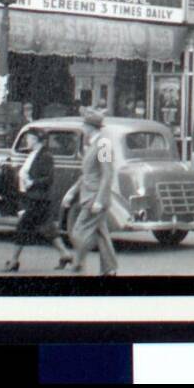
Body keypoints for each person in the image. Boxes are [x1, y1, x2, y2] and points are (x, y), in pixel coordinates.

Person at [2, 128, 73, 272]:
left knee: (22, 227)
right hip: (33, 197)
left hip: (37, 198)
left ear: (37, 140)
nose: (27, 140)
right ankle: (65, 254)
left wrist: (32, 183)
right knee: (48, 228)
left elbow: (49, 178)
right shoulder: (33, 154)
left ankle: (14, 261)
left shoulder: (45, 156)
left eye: (29, 138)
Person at [70, 109, 118, 276]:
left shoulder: (103, 144)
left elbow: (107, 173)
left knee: (78, 231)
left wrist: (99, 199)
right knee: (101, 234)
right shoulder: (93, 144)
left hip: (94, 197)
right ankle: (109, 269)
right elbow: (87, 173)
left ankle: (78, 262)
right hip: (89, 195)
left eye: (84, 124)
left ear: (91, 127)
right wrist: (72, 191)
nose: (82, 127)